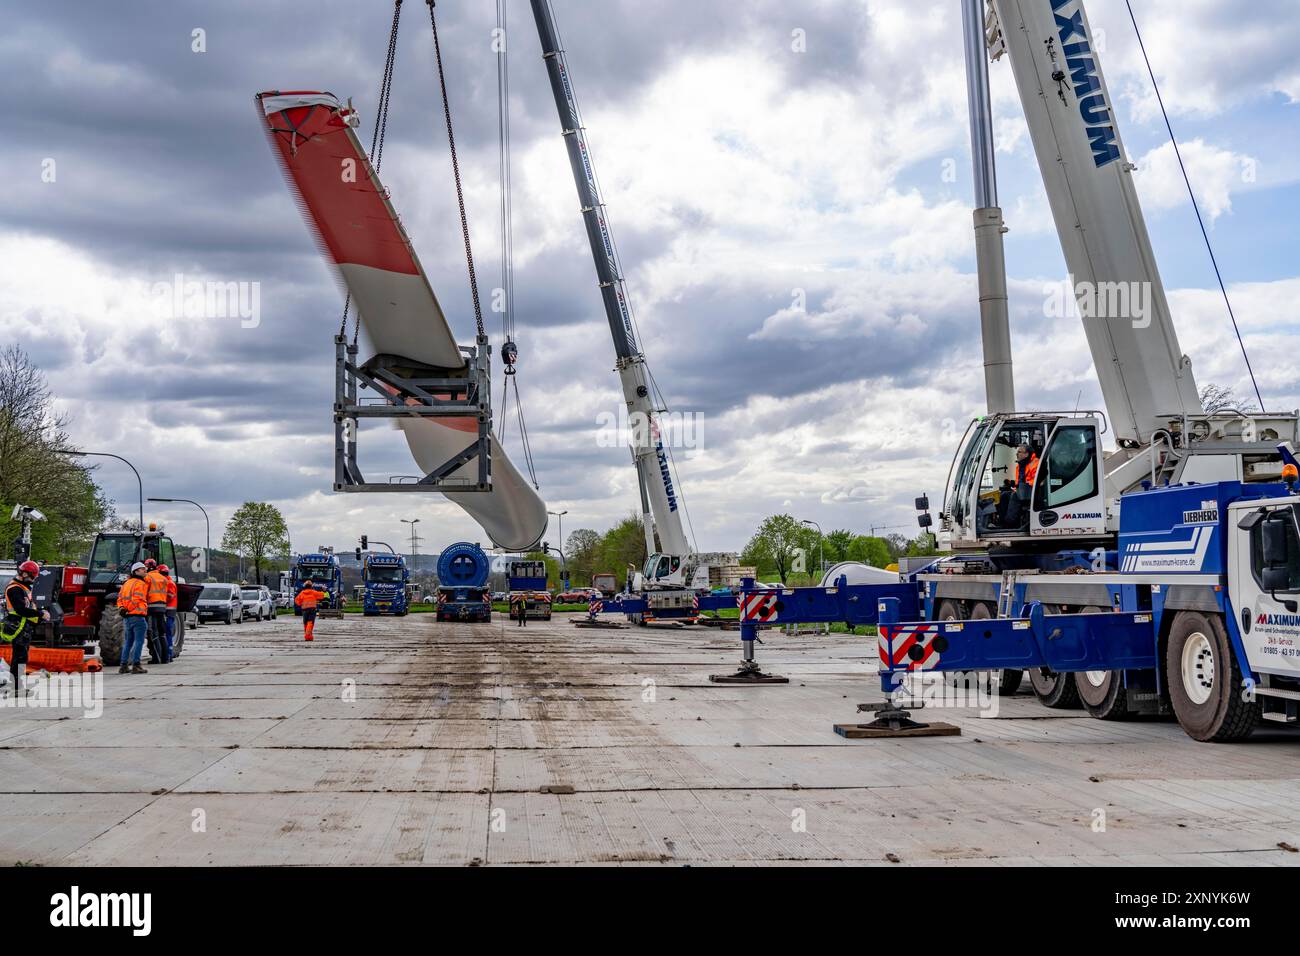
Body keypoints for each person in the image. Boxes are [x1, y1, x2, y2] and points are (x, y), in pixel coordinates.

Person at [2, 560, 49, 695]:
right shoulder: (15, 589)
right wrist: (40, 614)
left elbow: (28, 606)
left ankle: (16, 686)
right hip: (18, 625)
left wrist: (39, 613)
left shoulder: (23, 588)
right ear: (23, 573)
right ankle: (17, 688)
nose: (33, 579)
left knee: (21, 656)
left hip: (24, 626)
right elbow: (21, 609)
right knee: (20, 657)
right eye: (32, 576)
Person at [117, 562, 150, 674]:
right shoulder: (140, 584)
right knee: (139, 641)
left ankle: (123, 666)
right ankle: (136, 665)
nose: (145, 570)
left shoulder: (126, 583)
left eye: (145, 569)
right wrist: (128, 609)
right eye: (142, 569)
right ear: (136, 572)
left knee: (128, 642)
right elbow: (137, 599)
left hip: (127, 618)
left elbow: (120, 598)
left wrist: (122, 609)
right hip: (137, 616)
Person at [1003, 443, 1040, 530]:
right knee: (1004, 495)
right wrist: (1012, 484)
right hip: (1023, 491)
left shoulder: (1036, 463)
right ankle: (1003, 522)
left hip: (1033, 492)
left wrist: (1025, 484)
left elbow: (1039, 481)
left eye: (1019, 452)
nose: (1017, 454)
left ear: (1026, 454)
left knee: (1014, 496)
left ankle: (1010, 524)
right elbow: (1019, 481)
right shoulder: (1020, 465)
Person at [144, 561, 170, 665]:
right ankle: (165, 658)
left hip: (151, 607)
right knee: (162, 633)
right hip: (162, 607)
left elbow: (144, 592)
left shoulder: (148, 577)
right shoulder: (163, 578)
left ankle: (156, 658)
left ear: (149, 567)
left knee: (153, 633)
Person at [160, 564, 178, 663]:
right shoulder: (168, 581)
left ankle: (169, 654)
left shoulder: (169, 583)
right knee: (167, 631)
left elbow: (170, 595)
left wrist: (159, 596)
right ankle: (168, 653)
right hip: (168, 609)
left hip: (169, 609)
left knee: (167, 631)